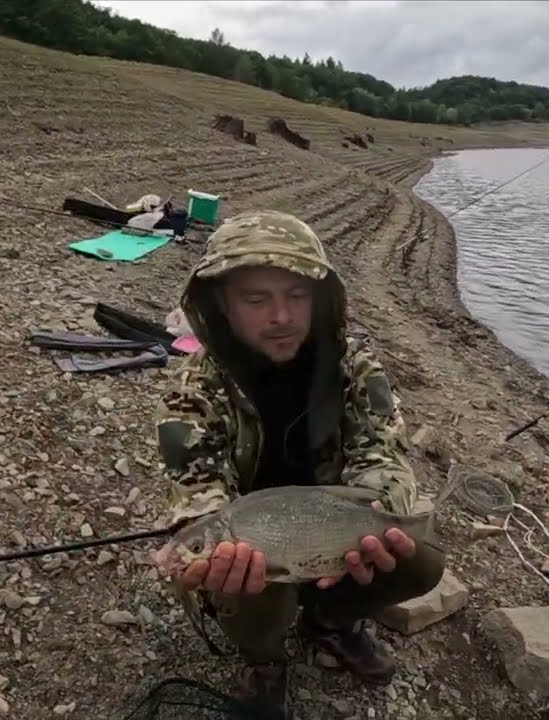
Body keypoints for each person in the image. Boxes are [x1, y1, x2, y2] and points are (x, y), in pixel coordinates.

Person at [154, 210, 445, 716]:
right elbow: (197, 488)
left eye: (297, 295)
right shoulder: (192, 389)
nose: (282, 316)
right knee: (239, 570)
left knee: (422, 561)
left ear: (320, 299)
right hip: (259, 538)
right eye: (256, 298)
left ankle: (330, 621)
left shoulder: (354, 368)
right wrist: (196, 545)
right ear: (221, 304)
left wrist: (379, 510)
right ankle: (265, 661)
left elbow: (384, 454)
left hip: (337, 529)